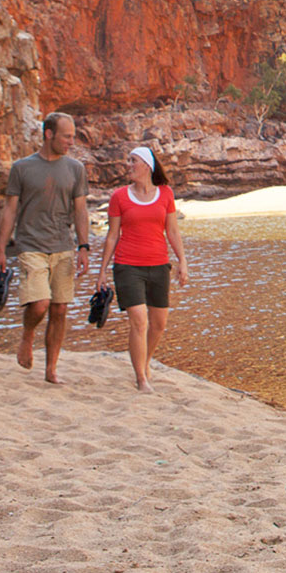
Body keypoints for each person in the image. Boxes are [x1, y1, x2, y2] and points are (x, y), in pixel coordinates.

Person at [0, 111, 90, 384]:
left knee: (59, 309)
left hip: (63, 245)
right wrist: (0, 249)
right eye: (67, 136)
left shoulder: (75, 169)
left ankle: (51, 369)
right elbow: (10, 209)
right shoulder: (22, 168)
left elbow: (81, 210)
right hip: (30, 245)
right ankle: (27, 334)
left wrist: (84, 246)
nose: (71, 141)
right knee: (41, 304)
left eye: (72, 136)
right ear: (49, 134)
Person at [96, 145, 188, 392]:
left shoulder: (166, 194)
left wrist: (182, 261)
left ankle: (145, 361)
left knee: (158, 323)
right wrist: (102, 270)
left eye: (133, 160)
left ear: (147, 165)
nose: (129, 165)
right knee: (139, 321)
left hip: (159, 265)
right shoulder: (119, 197)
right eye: (128, 160)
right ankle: (141, 378)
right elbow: (112, 236)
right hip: (127, 266)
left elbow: (173, 231)